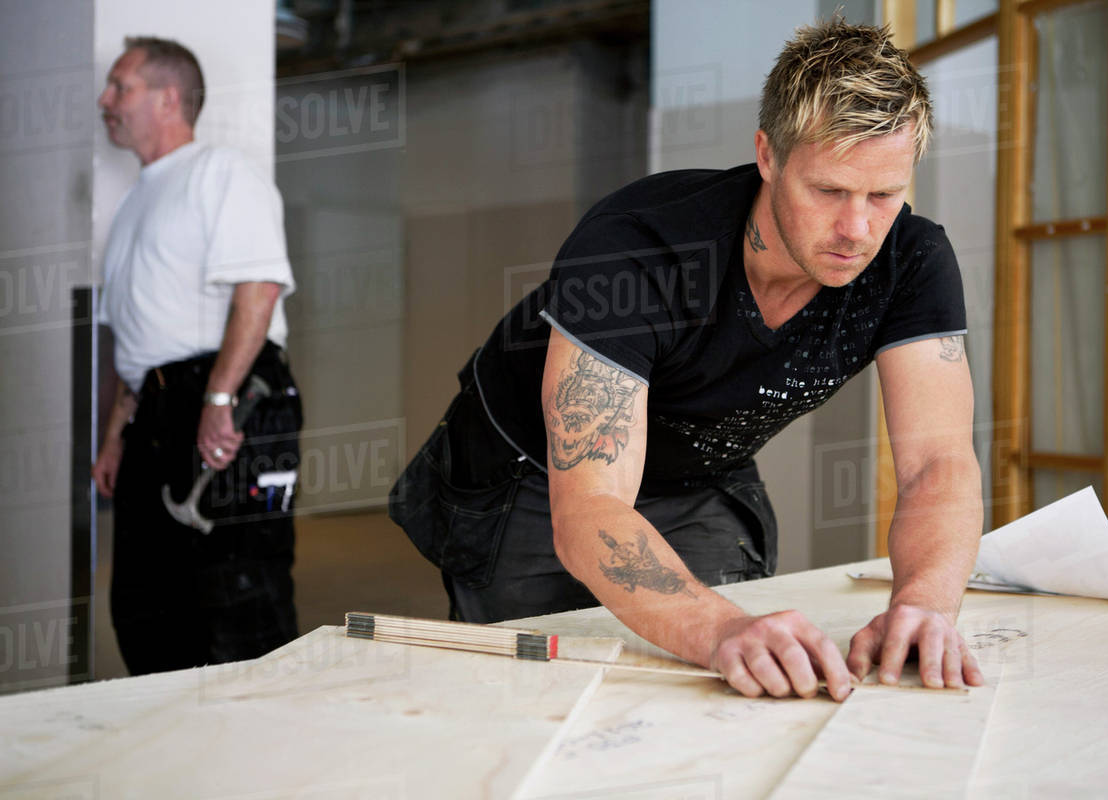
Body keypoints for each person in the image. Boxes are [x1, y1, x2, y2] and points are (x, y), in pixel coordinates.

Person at [390, 18, 984, 700]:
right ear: (767, 155)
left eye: (883, 195)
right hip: (533, 474)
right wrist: (718, 628)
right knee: (531, 692)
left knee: (728, 684)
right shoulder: (637, 247)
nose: (857, 230)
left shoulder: (912, 259)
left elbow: (937, 462)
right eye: (828, 191)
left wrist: (925, 605)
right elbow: (589, 506)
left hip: (699, 473)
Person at [91, 37, 303, 675]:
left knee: (236, 604)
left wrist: (219, 398)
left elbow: (259, 290)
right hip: (154, 409)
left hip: (227, 395)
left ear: (168, 98)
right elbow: (138, 336)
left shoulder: (220, 173)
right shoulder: (135, 202)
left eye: (120, 86)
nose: (105, 100)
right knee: (145, 609)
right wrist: (115, 438)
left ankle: (255, 735)